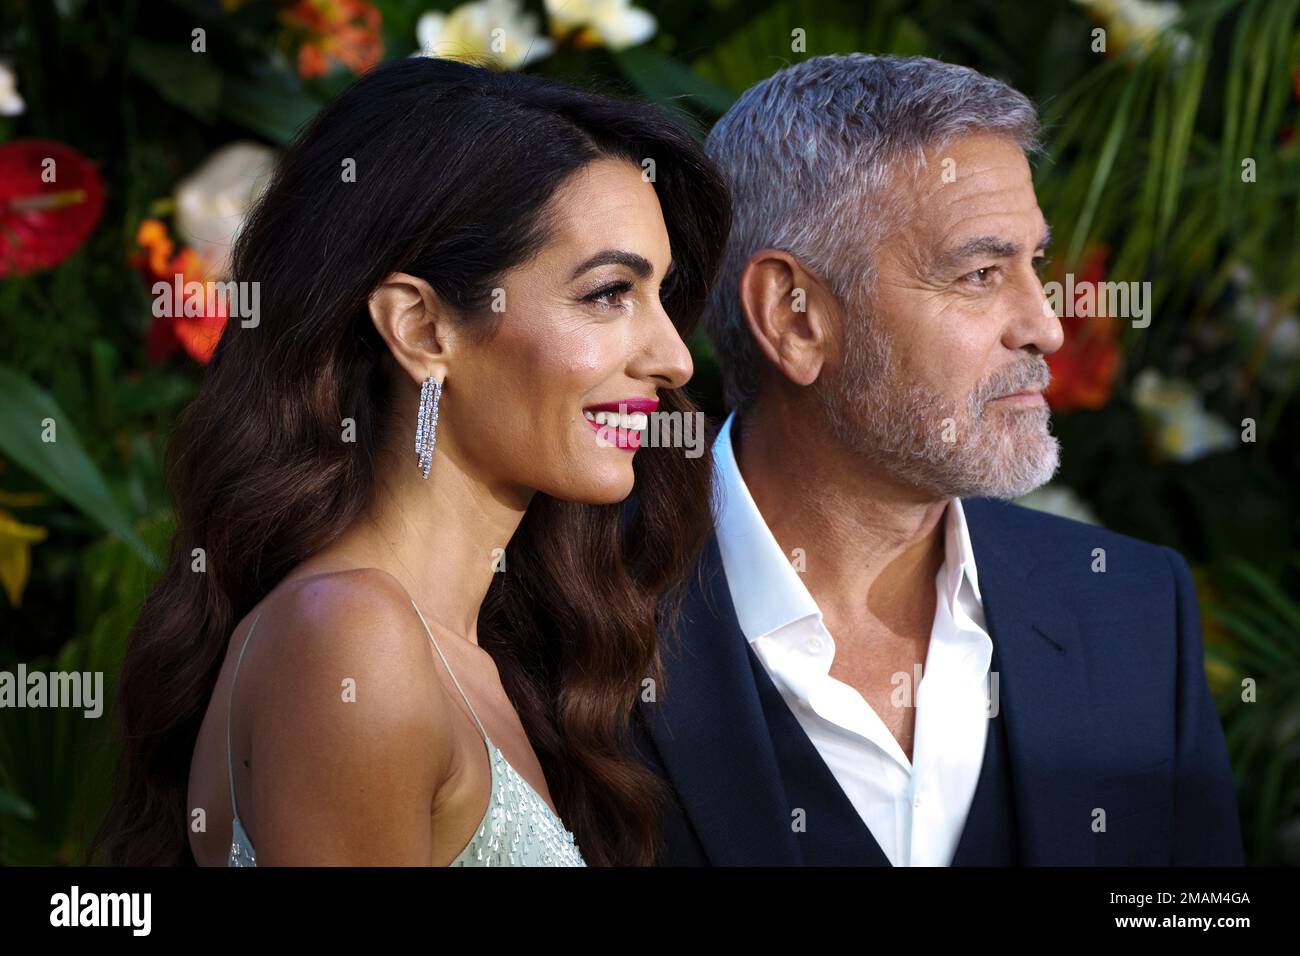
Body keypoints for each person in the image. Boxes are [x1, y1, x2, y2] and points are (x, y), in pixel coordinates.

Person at [92, 56, 729, 867]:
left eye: (662, 298)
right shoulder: (354, 640)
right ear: (422, 330)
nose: (674, 358)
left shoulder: (474, 654)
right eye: (609, 293)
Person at [633, 53, 1245, 866]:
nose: (1046, 327)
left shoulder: (1133, 611)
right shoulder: (566, 616)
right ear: (795, 316)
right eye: (981, 273)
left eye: (1036, 264)